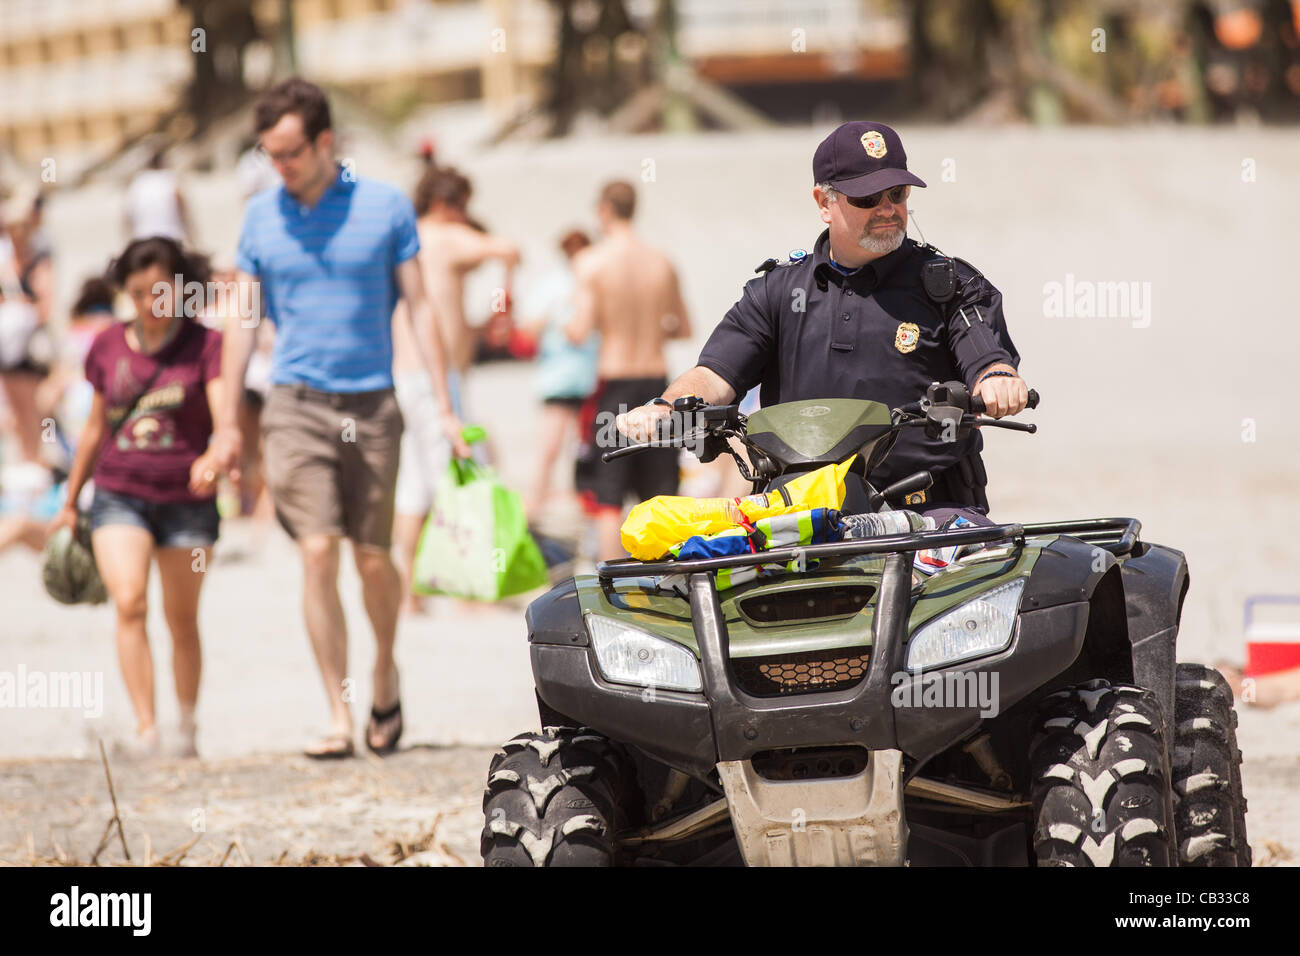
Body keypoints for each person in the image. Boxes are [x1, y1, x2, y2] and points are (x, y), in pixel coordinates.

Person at [212, 78, 468, 759]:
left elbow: (419, 308)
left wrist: (444, 406)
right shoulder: (261, 217)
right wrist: (227, 423)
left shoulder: (385, 207)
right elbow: (241, 322)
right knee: (318, 552)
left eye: (290, 152)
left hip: (373, 405)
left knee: (375, 560)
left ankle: (385, 669)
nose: (280, 166)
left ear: (326, 142)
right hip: (294, 405)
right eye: (270, 153)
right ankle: (336, 712)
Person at [617, 122, 1028, 527]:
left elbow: (987, 357)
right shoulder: (776, 291)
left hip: (927, 514)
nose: (887, 208)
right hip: (800, 512)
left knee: (993, 575)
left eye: (897, 193)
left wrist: (997, 378)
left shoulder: (948, 285)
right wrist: (666, 406)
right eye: (867, 197)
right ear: (824, 202)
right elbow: (714, 374)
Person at [49, 237, 224, 759]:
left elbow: (224, 419)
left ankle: (186, 729)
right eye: (139, 291)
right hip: (119, 491)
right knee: (129, 602)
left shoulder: (205, 344)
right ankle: (148, 730)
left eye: (162, 290)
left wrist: (216, 454)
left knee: (181, 618)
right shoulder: (106, 345)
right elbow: (95, 426)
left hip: (187, 499)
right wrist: (70, 498)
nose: (152, 301)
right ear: (125, 292)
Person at [389, 165, 519, 613]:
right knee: (461, 480)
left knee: (413, 487)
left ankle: (410, 594)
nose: (468, 216)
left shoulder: (404, 240)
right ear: (447, 205)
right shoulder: (441, 236)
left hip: (405, 375)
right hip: (437, 380)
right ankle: (467, 594)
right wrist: (506, 300)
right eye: (463, 206)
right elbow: (509, 248)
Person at [567, 180, 693, 560]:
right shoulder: (662, 261)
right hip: (659, 389)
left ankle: (612, 587)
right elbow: (683, 328)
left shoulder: (591, 262)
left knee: (608, 497)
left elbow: (579, 330)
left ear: (604, 210)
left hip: (616, 384)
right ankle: (670, 583)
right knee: (662, 496)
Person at [521, 229, 597, 521]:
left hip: (589, 377)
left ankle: (583, 510)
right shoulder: (552, 285)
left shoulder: (593, 281)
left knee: (586, 451)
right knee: (549, 450)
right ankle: (532, 512)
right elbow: (529, 327)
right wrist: (559, 318)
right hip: (559, 379)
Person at [0, 187, 56, 467]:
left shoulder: (37, 259)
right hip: (8, 345)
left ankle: (36, 459)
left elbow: (46, 304)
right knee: (15, 407)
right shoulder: (5, 260)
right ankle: (27, 461)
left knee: (33, 407)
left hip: (29, 346)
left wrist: (23, 308)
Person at [124, 147, 191, 243]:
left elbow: (127, 216)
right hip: (171, 236)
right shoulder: (171, 179)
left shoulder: (136, 183)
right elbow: (183, 211)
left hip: (141, 237)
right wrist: (192, 239)